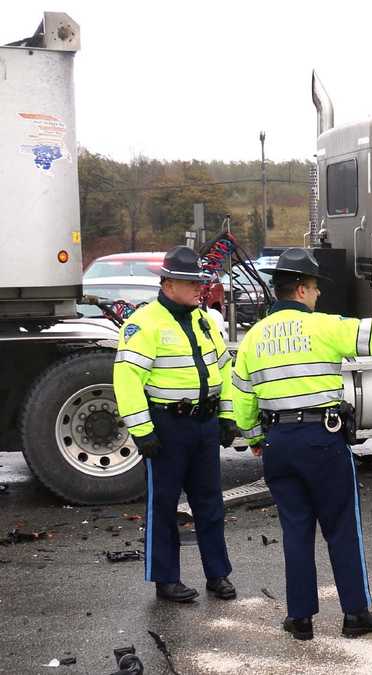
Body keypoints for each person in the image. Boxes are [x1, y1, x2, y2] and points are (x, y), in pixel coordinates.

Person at [229, 247, 372, 640]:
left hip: (278, 444)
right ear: (301, 289)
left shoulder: (253, 338)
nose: (318, 294)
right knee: (341, 529)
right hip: (321, 441)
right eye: (315, 287)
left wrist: (254, 437)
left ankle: (300, 620)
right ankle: (355, 615)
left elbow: (240, 396)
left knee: (296, 532)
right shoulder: (324, 327)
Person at [113, 245, 238, 603]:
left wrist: (227, 416)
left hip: (204, 424)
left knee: (211, 502)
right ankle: (166, 579)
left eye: (200, 281)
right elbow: (127, 378)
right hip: (168, 426)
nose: (200, 288)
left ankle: (218, 574)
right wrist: (142, 431)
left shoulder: (203, 321)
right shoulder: (145, 322)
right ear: (168, 283)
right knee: (164, 506)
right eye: (191, 282)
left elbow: (223, 370)